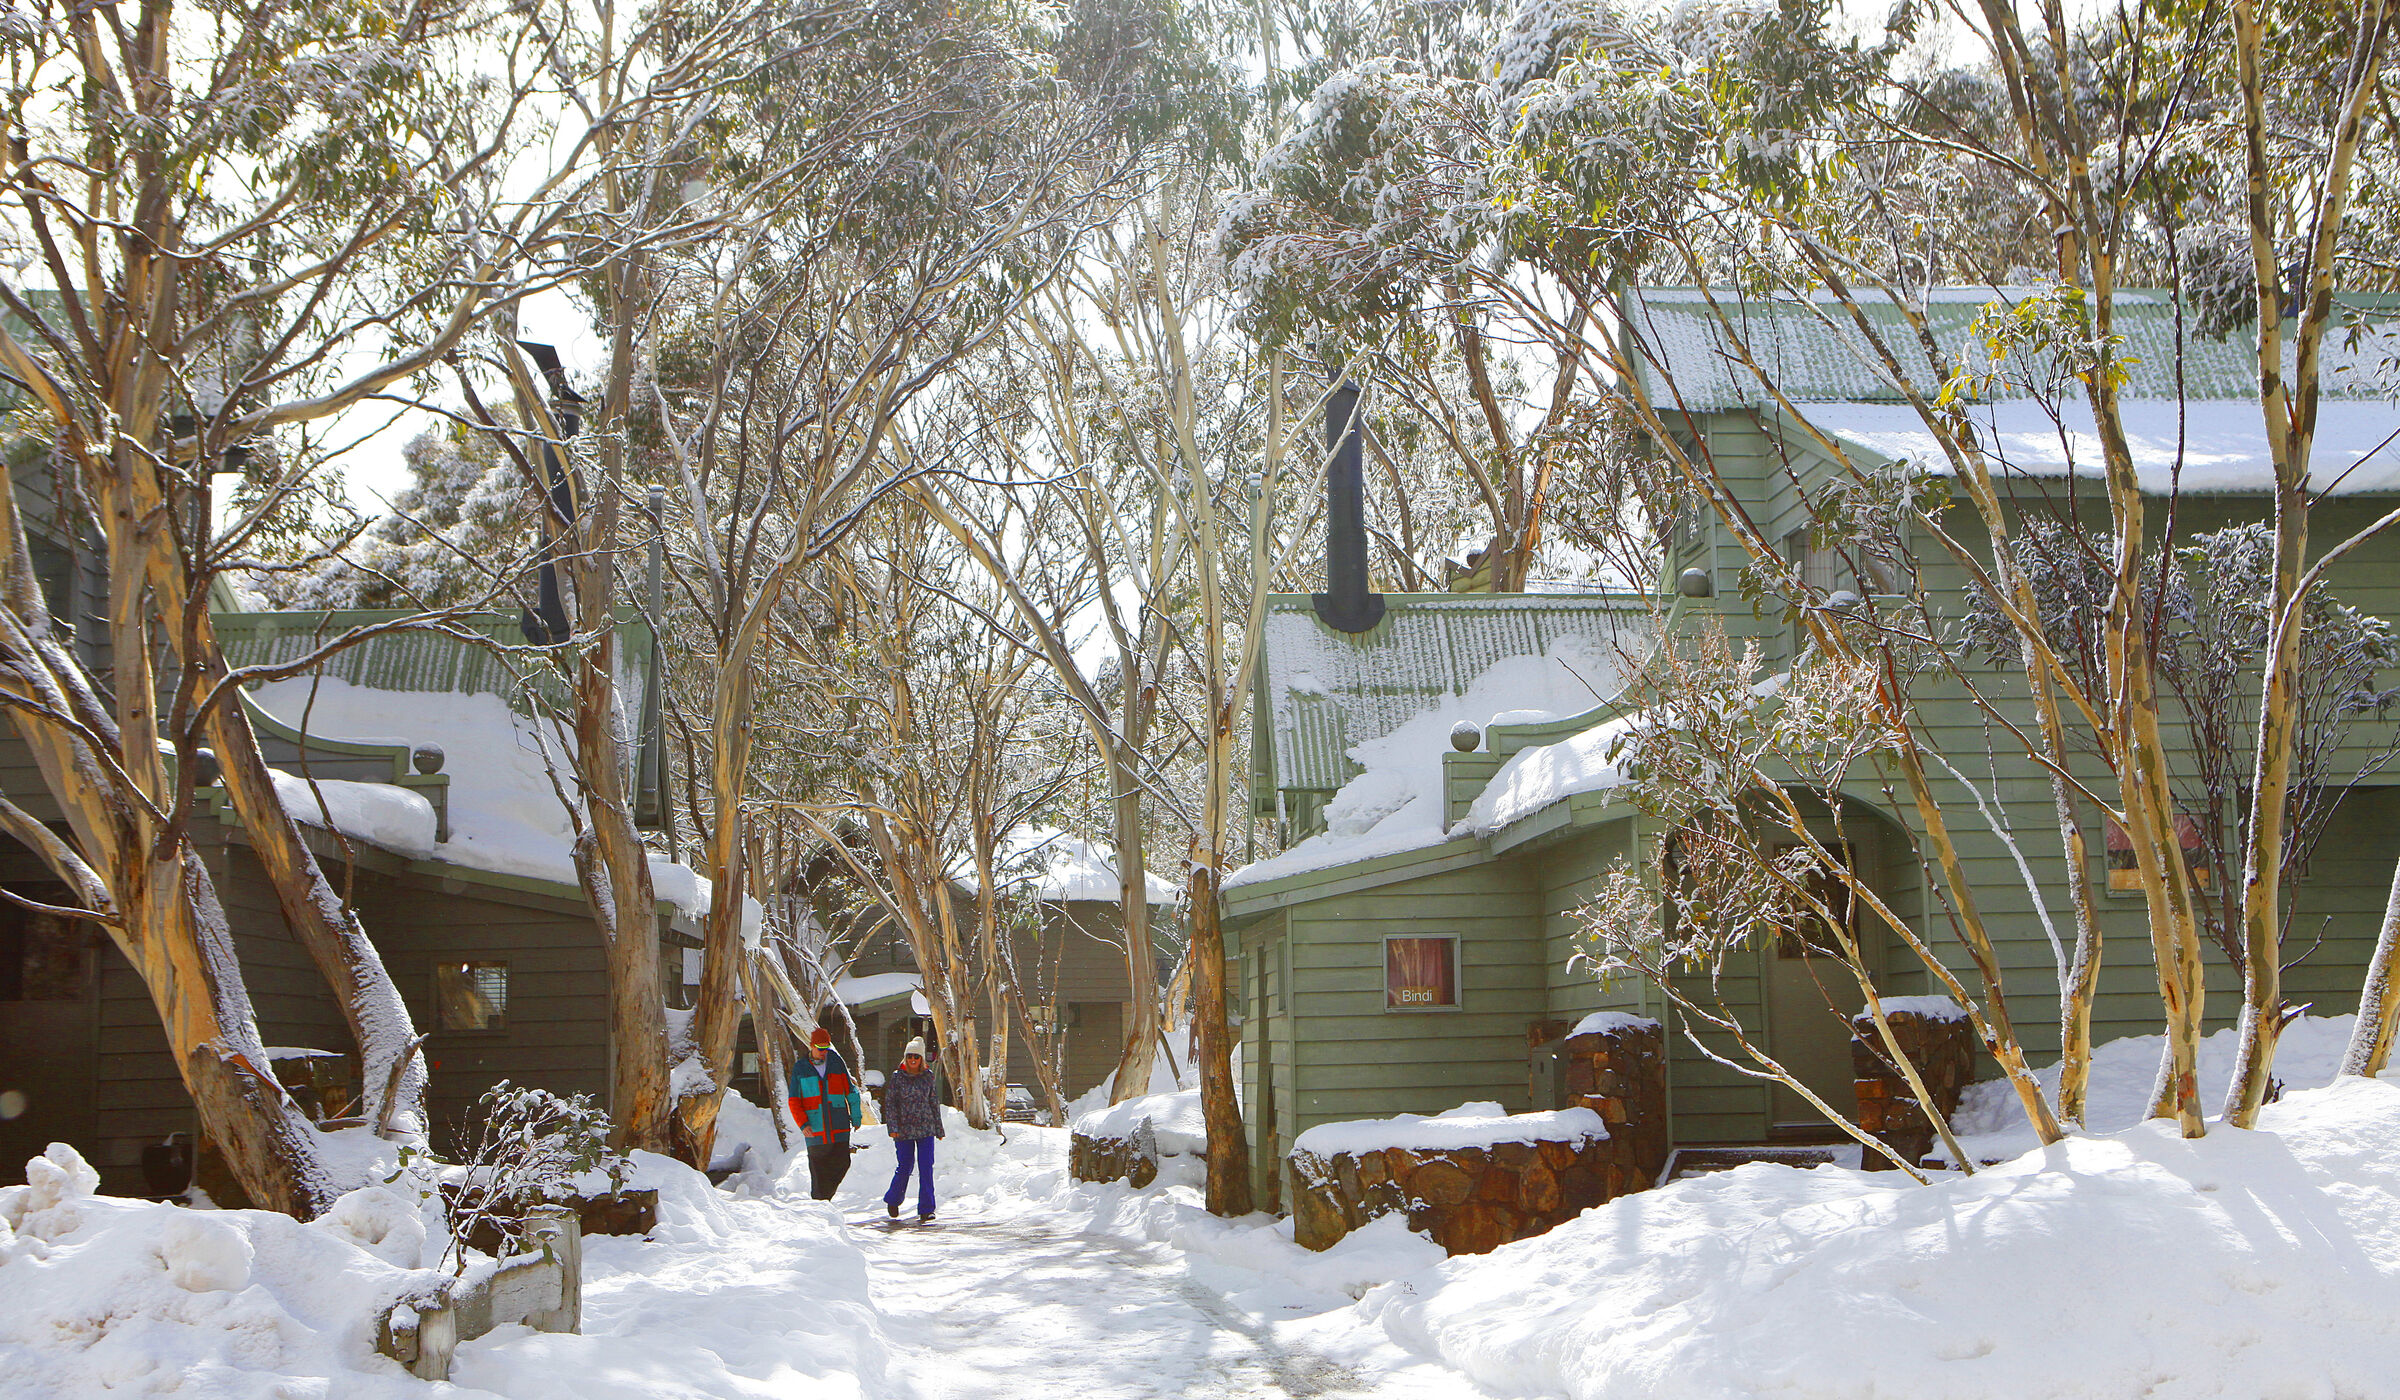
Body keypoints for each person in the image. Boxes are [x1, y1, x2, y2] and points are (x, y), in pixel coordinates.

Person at [787, 1028, 862, 1202]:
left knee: (843, 1164)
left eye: (826, 1048)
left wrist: (856, 1115)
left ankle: (824, 1200)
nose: (823, 1052)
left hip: (839, 1125)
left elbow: (851, 1091)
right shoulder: (801, 1068)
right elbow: (794, 1100)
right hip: (815, 1129)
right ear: (811, 1046)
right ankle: (820, 1206)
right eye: (820, 1048)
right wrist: (803, 1124)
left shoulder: (836, 1062)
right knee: (819, 1171)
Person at [882, 1037, 944, 1221]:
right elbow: (891, 1104)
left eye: (916, 1057)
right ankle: (893, 1199)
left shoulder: (928, 1076)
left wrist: (938, 1128)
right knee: (905, 1166)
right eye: (909, 1057)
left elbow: (933, 1101)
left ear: (921, 1059)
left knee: (926, 1167)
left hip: (925, 1129)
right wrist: (892, 1127)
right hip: (903, 1130)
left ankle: (927, 1208)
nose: (912, 1060)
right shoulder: (897, 1077)